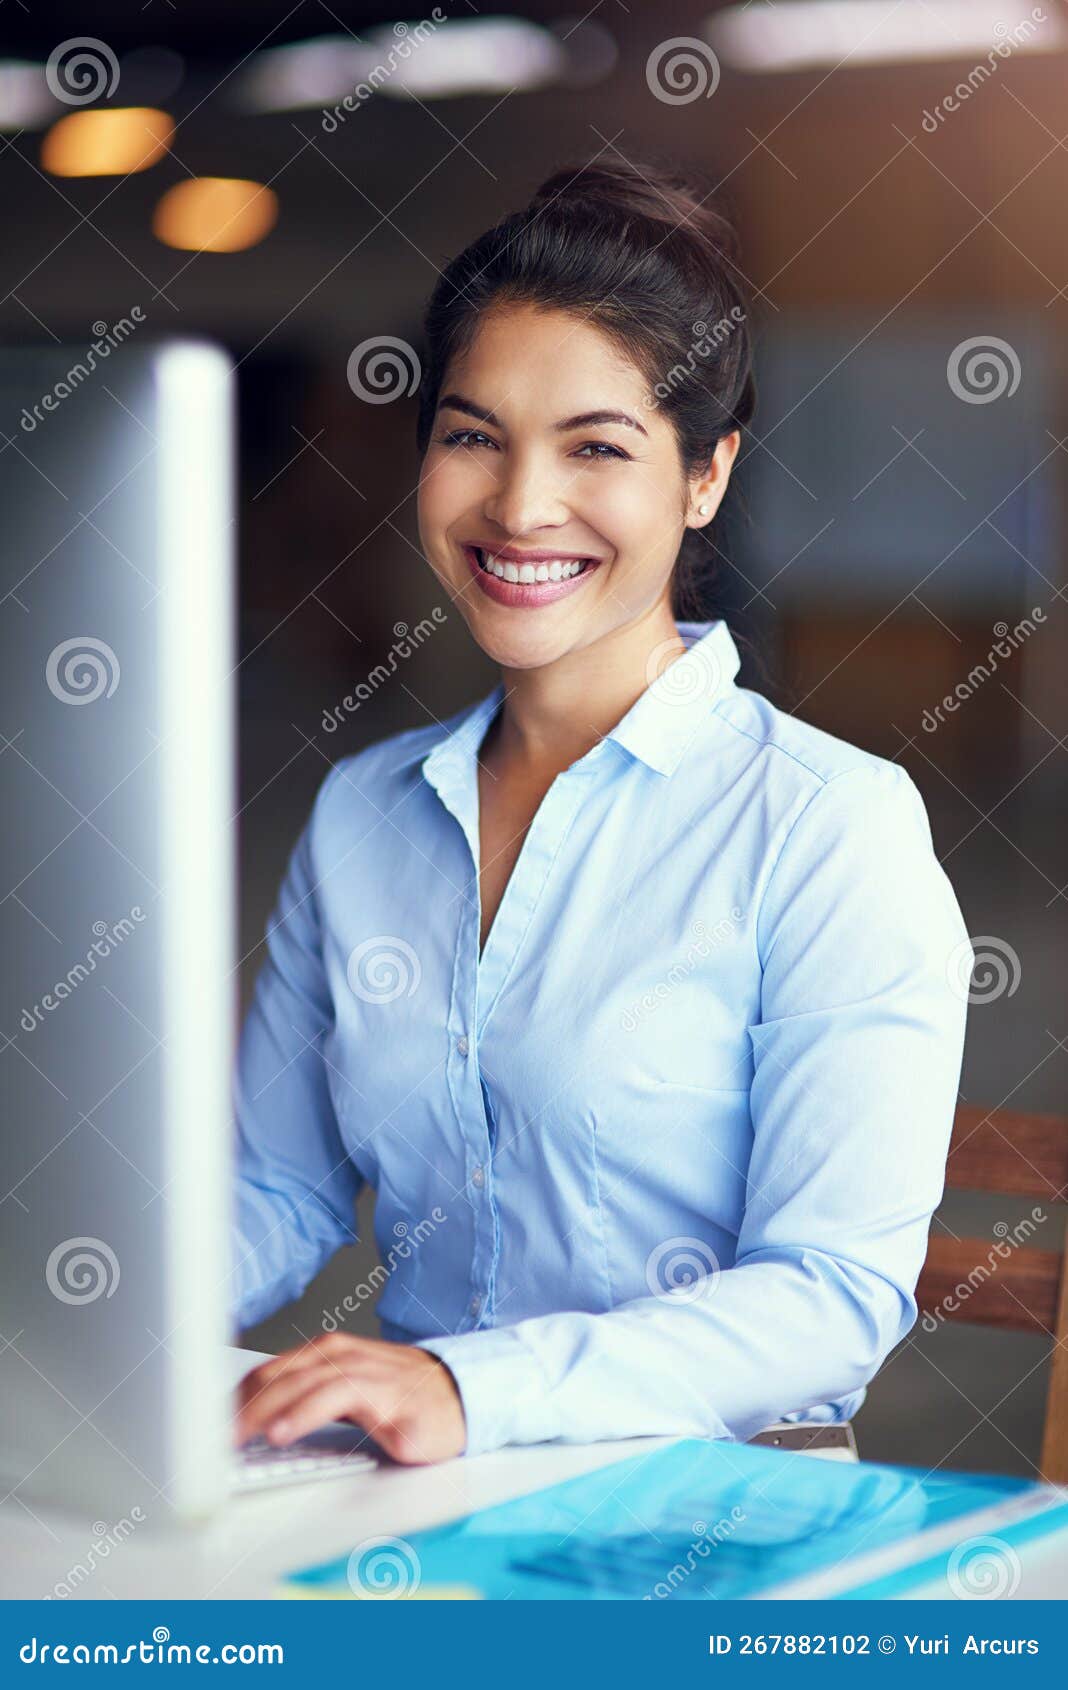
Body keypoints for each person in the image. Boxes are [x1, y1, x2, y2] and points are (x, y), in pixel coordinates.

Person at [231, 156, 973, 1466]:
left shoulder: (830, 829)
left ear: (704, 476)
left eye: (596, 448)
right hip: (410, 1497)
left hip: (710, 1514)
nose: (520, 506)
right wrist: (89, 1311)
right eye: (472, 436)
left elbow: (831, 1292)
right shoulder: (362, 815)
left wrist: (470, 1390)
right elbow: (276, 1187)